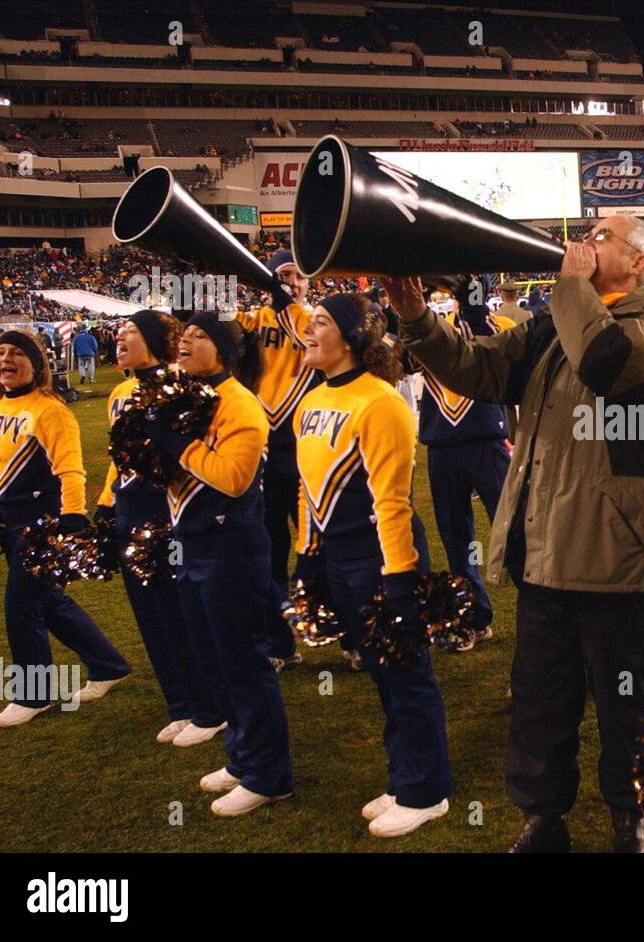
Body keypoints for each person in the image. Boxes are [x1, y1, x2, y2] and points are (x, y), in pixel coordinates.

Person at [388, 214, 644, 854]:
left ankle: (631, 813)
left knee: (623, 698)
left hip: (617, 554)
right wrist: (418, 319)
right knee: (540, 698)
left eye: (602, 236)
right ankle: (543, 815)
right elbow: (479, 370)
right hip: (547, 550)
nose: (585, 241)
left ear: (638, 264)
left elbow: (604, 362)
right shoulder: (558, 324)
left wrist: (571, 286)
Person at [295, 293, 451, 838]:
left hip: (382, 559)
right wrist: (306, 555)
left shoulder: (380, 401)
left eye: (320, 323)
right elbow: (305, 490)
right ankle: (403, 776)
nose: (308, 330)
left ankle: (427, 791)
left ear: (352, 337)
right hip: (337, 558)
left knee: (408, 677)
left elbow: (392, 500)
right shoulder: (312, 399)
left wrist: (401, 576)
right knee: (384, 679)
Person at [145, 314, 293, 816]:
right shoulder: (188, 397)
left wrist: (175, 445)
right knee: (214, 659)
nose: (186, 341)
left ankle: (269, 775)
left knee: (245, 664)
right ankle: (242, 757)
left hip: (232, 549)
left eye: (200, 335)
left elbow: (232, 478)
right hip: (191, 542)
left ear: (227, 352)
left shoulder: (240, 403)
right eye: (184, 335)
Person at [0, 329, 131, 727]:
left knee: (22, 606)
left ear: (36, 363)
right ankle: (108, 665)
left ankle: (34, 695)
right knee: (50, 602)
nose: (6, 360)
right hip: (10, 522)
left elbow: (71, 470)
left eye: (17, 353)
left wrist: (70, 519)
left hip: (42, 523)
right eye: (1, 352)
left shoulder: (51, 410)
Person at [97, 311, 226, 746]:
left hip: (167, 508)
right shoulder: (118, 392)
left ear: (153, 339)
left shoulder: (180, 387)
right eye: (120, 332)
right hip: (128, 508)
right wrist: (107, 503)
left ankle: (210, 707)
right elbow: (118, 458)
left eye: (131, 331)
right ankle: (179, 704)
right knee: (149, 614)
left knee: (181, 613)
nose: (120, 337)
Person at [417, 281, 514, 654]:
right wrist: (417, 295)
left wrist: (467, 293)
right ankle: (472, 615)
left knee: (514, 531)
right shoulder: (431, 327)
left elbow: (491, 345)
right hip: (441, 445)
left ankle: (545, 616)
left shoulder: (499, 324)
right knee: (458, 539)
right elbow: (401, 348)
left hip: (487, 442)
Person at [236, 250, 316, 671]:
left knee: (320, 548)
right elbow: (218, 330)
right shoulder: (252, 319)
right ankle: (280, 642)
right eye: (285, 275)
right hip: (263, 448)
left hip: (308, 447)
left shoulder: (314, 319)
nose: (294, 283)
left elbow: (309, 334)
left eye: (300, 277)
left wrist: (284, 302)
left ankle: (349, 635)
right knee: (270, 552)